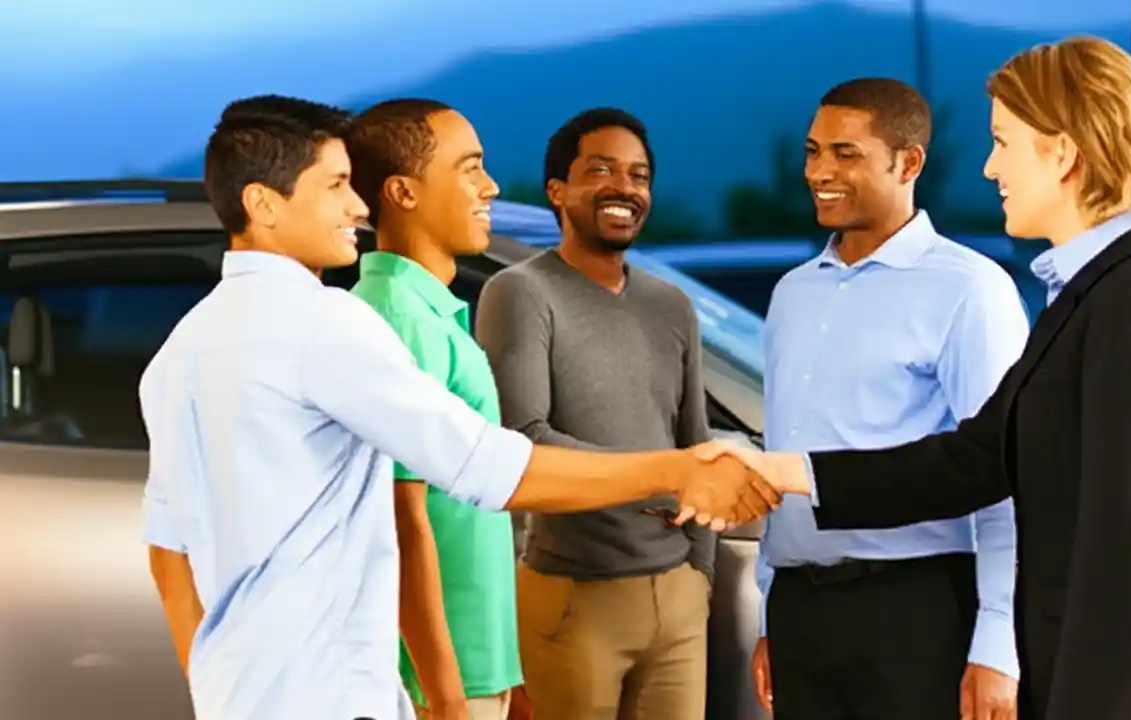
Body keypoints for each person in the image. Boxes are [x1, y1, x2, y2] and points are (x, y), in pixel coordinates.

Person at [140, 94, 779, 720]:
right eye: (335, 186)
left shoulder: (180, 351)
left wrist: (215, 689)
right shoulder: (326, 323)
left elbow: (169, 553)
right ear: (262, 204)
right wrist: (676, 470)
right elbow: (484, 468)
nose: (358, 206)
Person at [697, 37, 1131, 720]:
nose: (990, 167)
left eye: (1003, 142)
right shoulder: (1096, 292)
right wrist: (785, 471)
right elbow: (976, 460)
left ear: (1063, 153)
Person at [754, 77, 1025, 720]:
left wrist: (998, 642)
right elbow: (783, 449)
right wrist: (769, 613)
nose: (818, 171)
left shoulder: (970, 290)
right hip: (800, 614)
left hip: (915, 615)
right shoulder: (792, 294)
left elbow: (1005, 473)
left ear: (909, 163)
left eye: (845, 153)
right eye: (813, 152)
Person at [474, 107, 715, 720]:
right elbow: (524, 438)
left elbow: (695, 441)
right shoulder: (521, 292)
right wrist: (662, 477)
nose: (624, 188)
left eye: (639, 175)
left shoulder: (671, 305)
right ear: (558, 190)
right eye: (601, 171)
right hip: (575, 596)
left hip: (678, 596)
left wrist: (700, 574)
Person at [345, 98, 520, 720]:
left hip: (473, 665)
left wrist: (506, 670)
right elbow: (399, 519)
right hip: (438, 682)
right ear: (403, 192)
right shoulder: (397, 317)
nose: (489, 186)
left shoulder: (426, 311)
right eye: (469, 168)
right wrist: (444, 694)